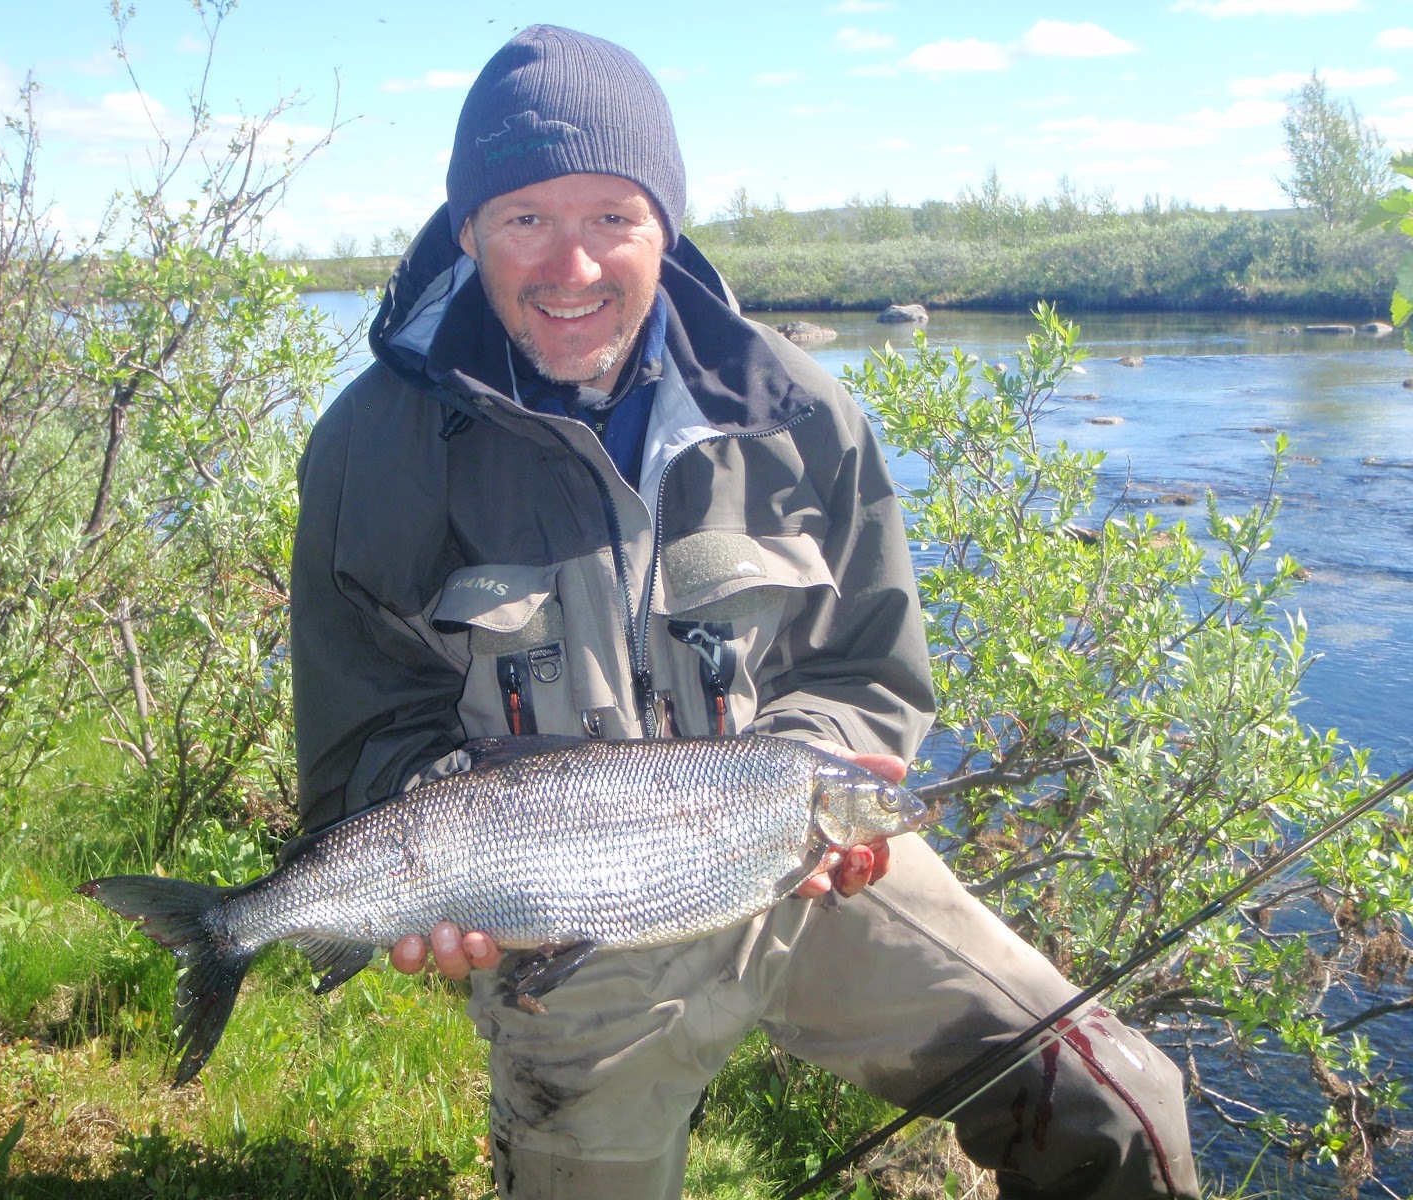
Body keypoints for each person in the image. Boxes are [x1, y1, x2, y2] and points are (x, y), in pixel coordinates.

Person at [289, 23, 1200, 1200]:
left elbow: (866, 664)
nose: (572, 266)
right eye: (526, 218)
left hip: (814, 877)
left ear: (666, 226)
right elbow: (367, 730)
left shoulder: (799, 410)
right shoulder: (374, 447)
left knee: (1118, 1104)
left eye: (612, 216)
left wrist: (824, 771)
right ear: (465, 231)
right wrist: (425, 877)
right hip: (567, 937)